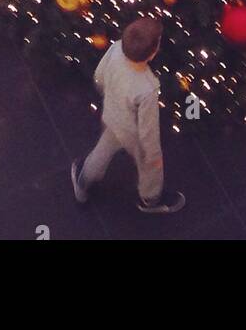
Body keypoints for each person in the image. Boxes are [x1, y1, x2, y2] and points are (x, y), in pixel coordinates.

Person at [71, 16, 185, 214]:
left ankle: (83, 180)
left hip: (112, 114)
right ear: (152, 53)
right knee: (149, 165)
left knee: (104, 149)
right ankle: (151, 198)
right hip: (132, 131)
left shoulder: (115, 49)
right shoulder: (147, 87)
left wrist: (106, 93)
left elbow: (99, 75)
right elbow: (148, 129)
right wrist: (151, 153)